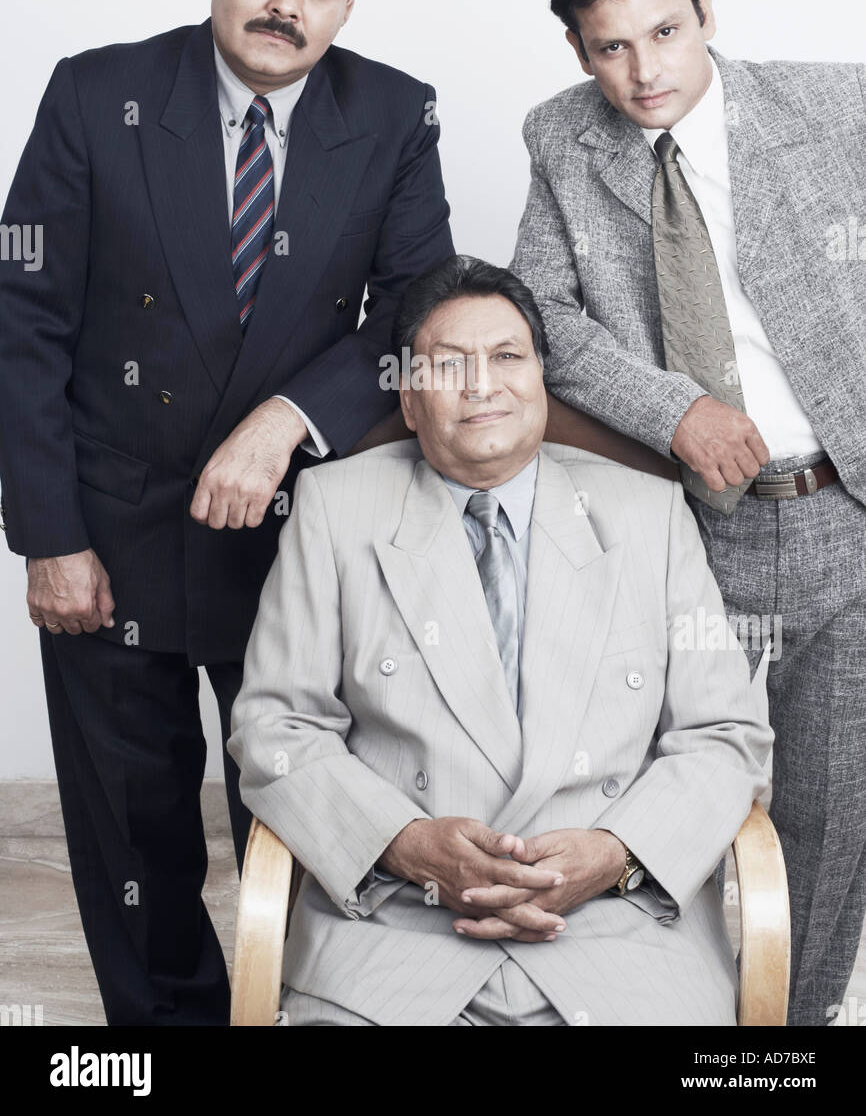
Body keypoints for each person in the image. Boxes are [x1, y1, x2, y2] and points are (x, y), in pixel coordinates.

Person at [0, 0, 453, 1025]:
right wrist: (49, 533)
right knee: (136, 831)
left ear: (347, 4)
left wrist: (284, 418)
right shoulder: (97, 95)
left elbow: (414, 309)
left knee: (300, 814)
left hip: (299, 542)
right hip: (108, 535)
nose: (283, 4)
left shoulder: (393, 112)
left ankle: (304, 1010)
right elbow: (24, 319)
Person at [228, 255, 771, 1026]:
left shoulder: (649, 514)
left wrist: (617, 853)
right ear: (411, 403)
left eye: (508, 358)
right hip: (395, 933)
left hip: (618, 937)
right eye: (448, 366)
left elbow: (727, 733)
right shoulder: (334, 510)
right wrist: (408, 845)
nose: (482, 384)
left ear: (541, 380)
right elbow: (275, 727)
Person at [509, 0, 866, 1026]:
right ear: (578, 53)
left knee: (827, 813)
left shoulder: (834, 108)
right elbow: (542, 322)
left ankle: (785, 1036)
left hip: (841, 513)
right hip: (681, 526)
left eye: (664, 31)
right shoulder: (563, 139)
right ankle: (638, 1010)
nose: (643, 69)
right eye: (609, 45)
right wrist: (677, 410)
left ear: (706, 12)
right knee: (636, 788)